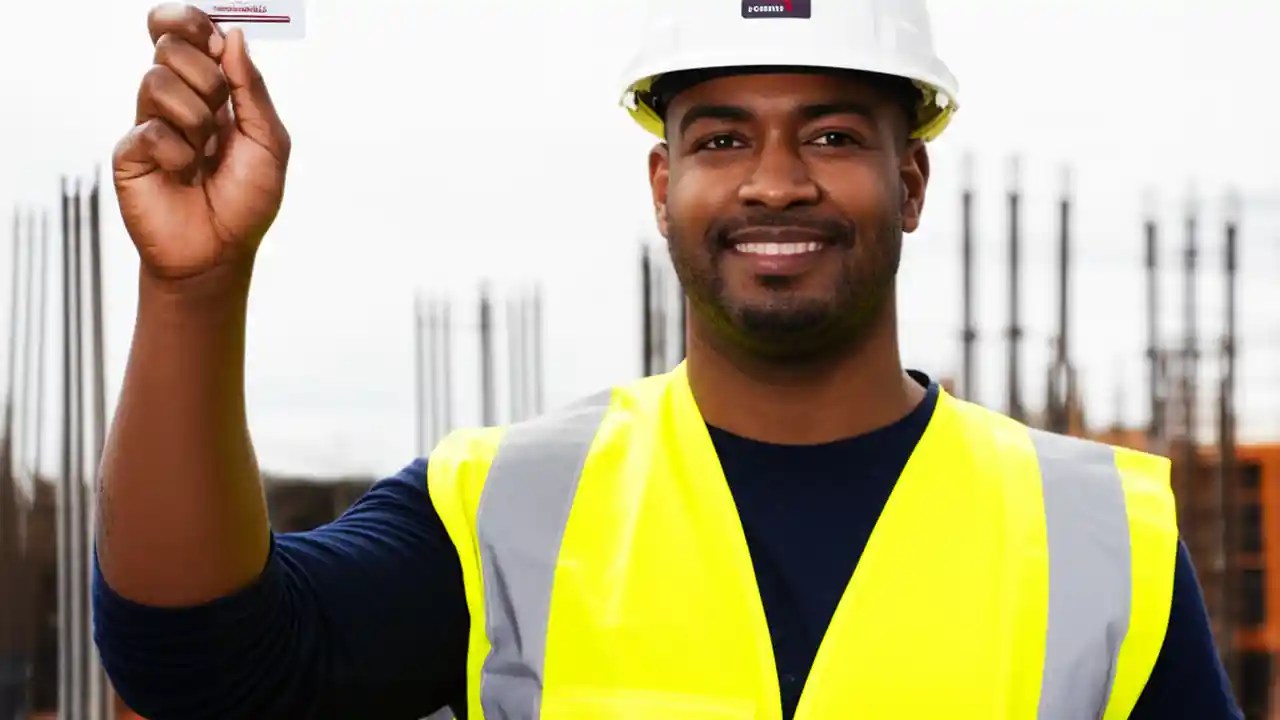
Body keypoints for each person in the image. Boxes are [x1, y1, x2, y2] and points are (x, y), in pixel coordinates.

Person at [94, 1, 1244, 718]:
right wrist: (193, 291)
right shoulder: (507, 508)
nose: (774, 180)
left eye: (833, 133)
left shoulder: (1097, 536)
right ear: (662, 185)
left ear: (909, 183)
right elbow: (202, 669)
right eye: (721, 136)